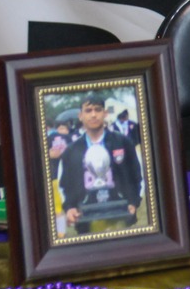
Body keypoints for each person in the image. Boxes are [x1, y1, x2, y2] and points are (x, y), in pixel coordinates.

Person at [57, 94, 140, 232]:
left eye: (98, 109)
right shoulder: (71, 150)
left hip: (120, 215)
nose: (93, 115)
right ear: (80, 115)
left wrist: (133, 201)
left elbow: (138, 173)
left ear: (105, 113)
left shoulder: (122, 142)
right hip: (86, 218)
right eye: (88, 111)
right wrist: (70, 207)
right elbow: (63, 183)